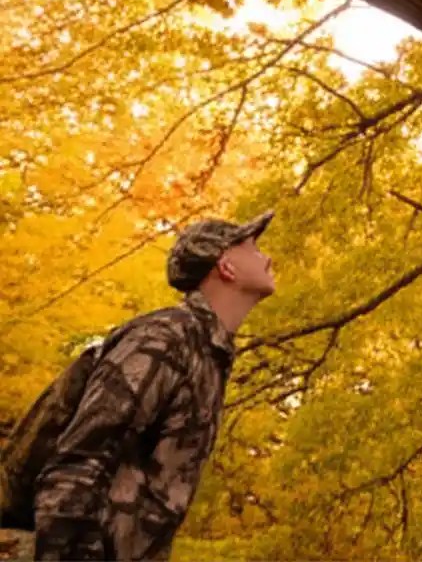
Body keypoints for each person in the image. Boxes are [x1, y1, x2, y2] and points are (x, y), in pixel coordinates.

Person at [31, 211, 275, 561]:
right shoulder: (164, 339)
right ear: (227, 268)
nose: (266, 256)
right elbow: (78, 463)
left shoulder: (210, 354)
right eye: (251, 247)